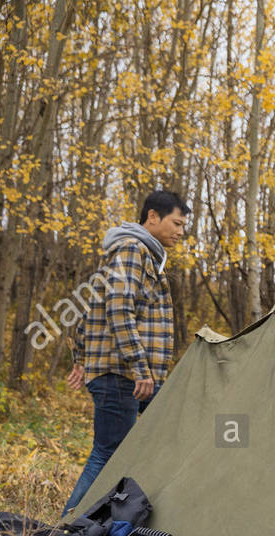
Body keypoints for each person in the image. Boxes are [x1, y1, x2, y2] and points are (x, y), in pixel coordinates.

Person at [63, 190, 190, 514]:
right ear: (152, 217)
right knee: (107, 454)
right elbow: (118, 310)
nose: (180, 231)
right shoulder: (132, 250)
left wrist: (81, 358)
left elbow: (91, 307)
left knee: (167, 426)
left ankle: (144, 511)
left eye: (183, 226)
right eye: (176, 223)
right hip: (125, 374)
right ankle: (64, 530)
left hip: (126, 373)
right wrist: (140, 368)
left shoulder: (135, 253)